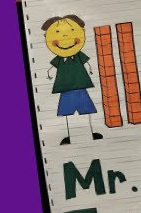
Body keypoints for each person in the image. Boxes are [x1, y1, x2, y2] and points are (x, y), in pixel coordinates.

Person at [43, 14, 103, 145]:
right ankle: (69, 135)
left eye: (71, 31)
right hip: (65, 89)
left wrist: (91, 70)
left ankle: (90, 132)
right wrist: (48, 73)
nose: (65, 36)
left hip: (81, 87)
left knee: (86, 110)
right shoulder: (59, 58)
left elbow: (87, 63)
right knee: (67, 112)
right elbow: (52, 67)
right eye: (57, 32)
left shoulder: (79, 55)